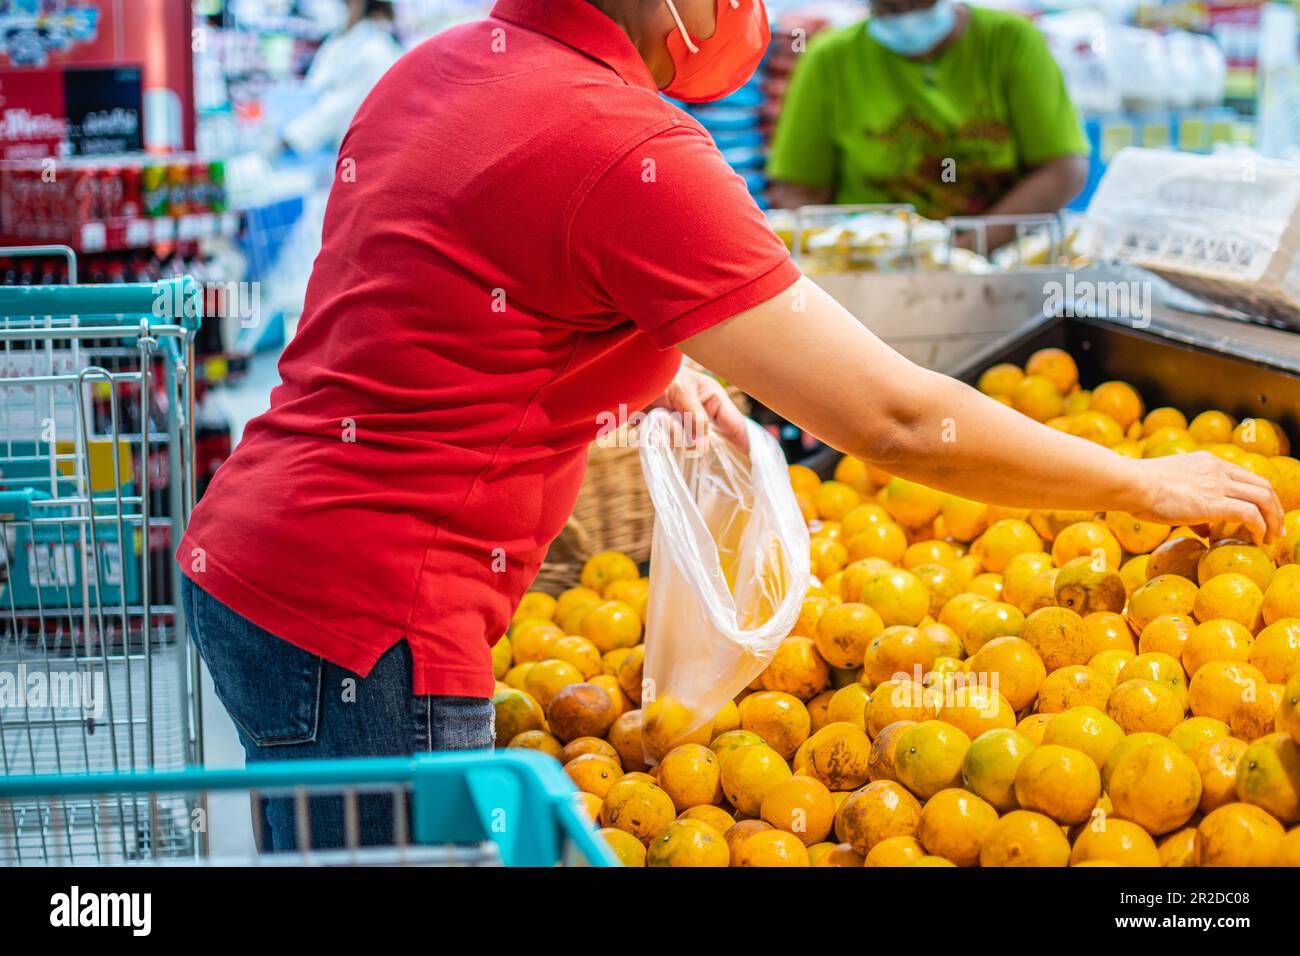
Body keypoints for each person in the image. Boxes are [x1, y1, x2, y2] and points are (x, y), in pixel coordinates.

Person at [177, 0, 1280, 850]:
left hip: (256, 559)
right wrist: (1140, 483)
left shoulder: (444, 64)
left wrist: (642, 371)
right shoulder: (618, 139)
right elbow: (891, 419)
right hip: (370, 620)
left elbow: (441, 296)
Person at [766, 0, 1090, 242]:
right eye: (889, 7)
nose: (905, 15)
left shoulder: (1011, 41)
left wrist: (966, 251)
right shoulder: (830, 58)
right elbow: (798, 190)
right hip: (875, 270)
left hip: (1001, 263)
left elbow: (1062, 167)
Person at [279, 0, 403, 156]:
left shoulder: (375, 51)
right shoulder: (343, 41)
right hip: (331, 150)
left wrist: (288, 138)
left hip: (354, 156)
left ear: (356, 3)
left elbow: (338, 106)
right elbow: (318, 87)